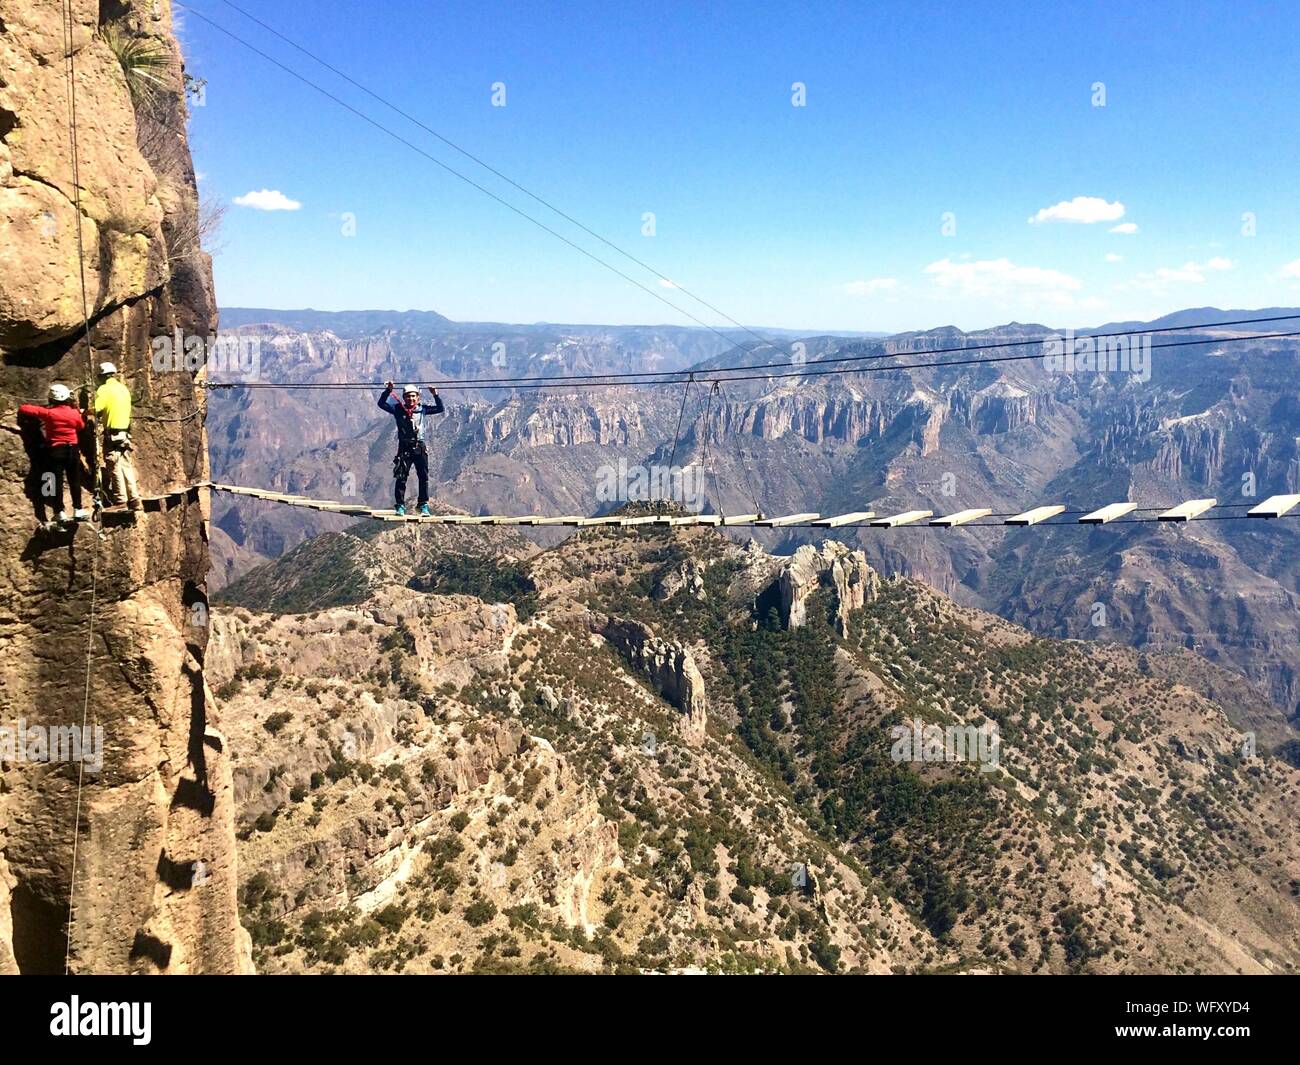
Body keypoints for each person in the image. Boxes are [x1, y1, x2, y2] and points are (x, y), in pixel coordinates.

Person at [20, 383, 88, 528]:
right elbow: (81, 426)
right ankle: (78, 509)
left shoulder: (49, 413)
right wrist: (75, 410)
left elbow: (24, 408)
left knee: (54, 481)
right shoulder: (73, 413)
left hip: (55, 451)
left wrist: (45, 407)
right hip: (73, 450)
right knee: (74, 480)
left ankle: (59, 511)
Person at [377, 382, 444, 516]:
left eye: (413, 396)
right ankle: (400, 506)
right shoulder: (398, 409)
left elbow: (440, 408)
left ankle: (423, 505)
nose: (411, 399)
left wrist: (435, 395)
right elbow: (381, 404)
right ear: (404, 398)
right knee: (401, 477)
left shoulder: (422, 409)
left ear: (418, 398)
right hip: (404, 448)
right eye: (408, 396)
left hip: (420, 447)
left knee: (423, 477)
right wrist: (388, 391)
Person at [93, 361, 142, 512]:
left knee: (113, 465)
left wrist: (84, 411)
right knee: (126, 465)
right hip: (124, 434)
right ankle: (135, 500)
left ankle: (120, 500)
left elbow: (97, 409)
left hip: (113, 434)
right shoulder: (123, 389)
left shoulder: (104, 389)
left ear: (102, 376)